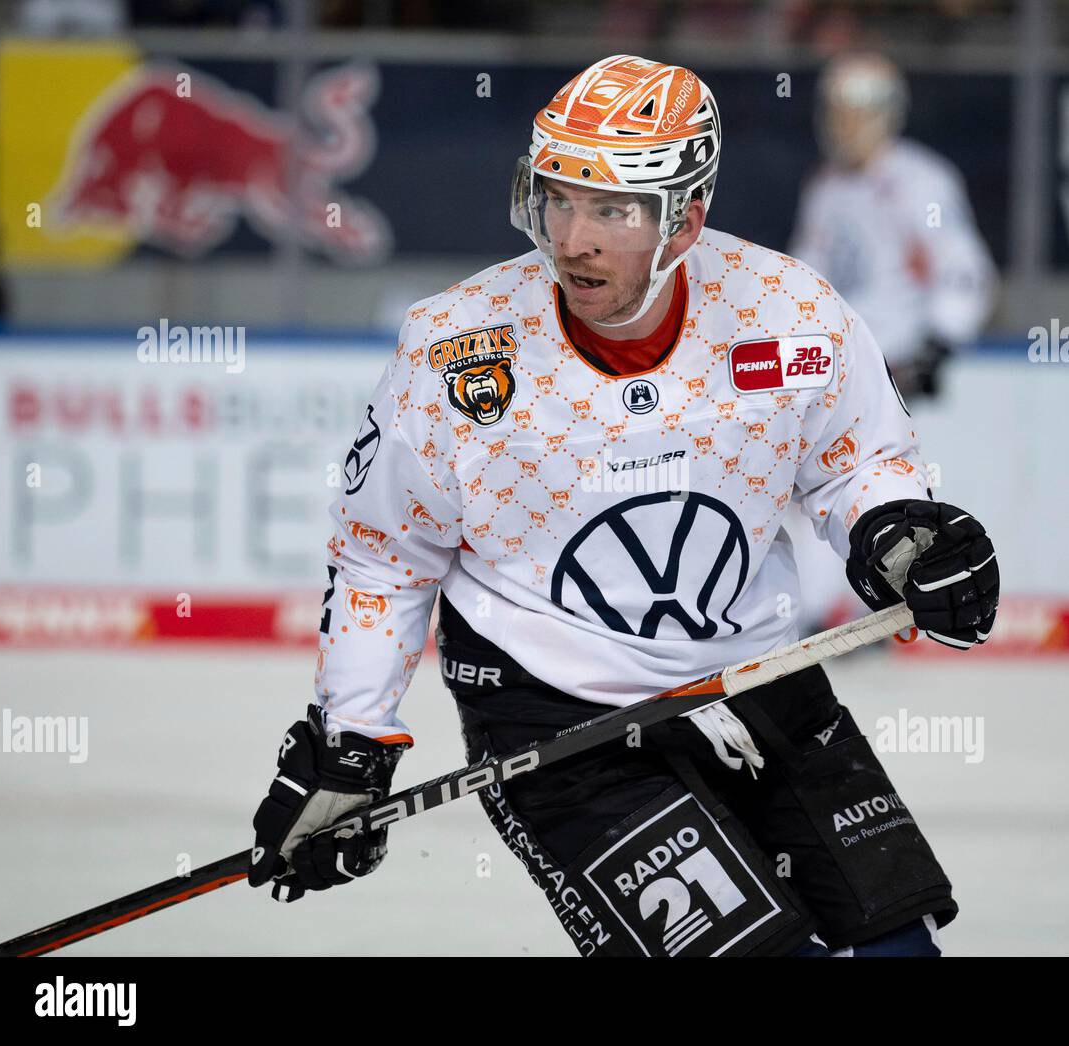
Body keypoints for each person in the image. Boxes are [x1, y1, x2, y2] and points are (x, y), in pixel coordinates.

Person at [247, 55, 999, 957]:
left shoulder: (788, 312)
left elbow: (855, 464)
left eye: (613, 209)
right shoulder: (456, 349)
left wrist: (903, 538)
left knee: (899, 953)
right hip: (564, 727)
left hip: (761, 682)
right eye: (557, 198)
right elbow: (385, 553)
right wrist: (352, 738)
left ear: (686, 217)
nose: (573, 239)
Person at [789, 52, 996, 401]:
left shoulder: (920, 179)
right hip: (838, 373)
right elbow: (806, 276)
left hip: (900, 373)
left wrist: (935, 348)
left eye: (854, 114)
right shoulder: (824, 188)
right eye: (837, 113)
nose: (844, 126)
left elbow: (965, 273)